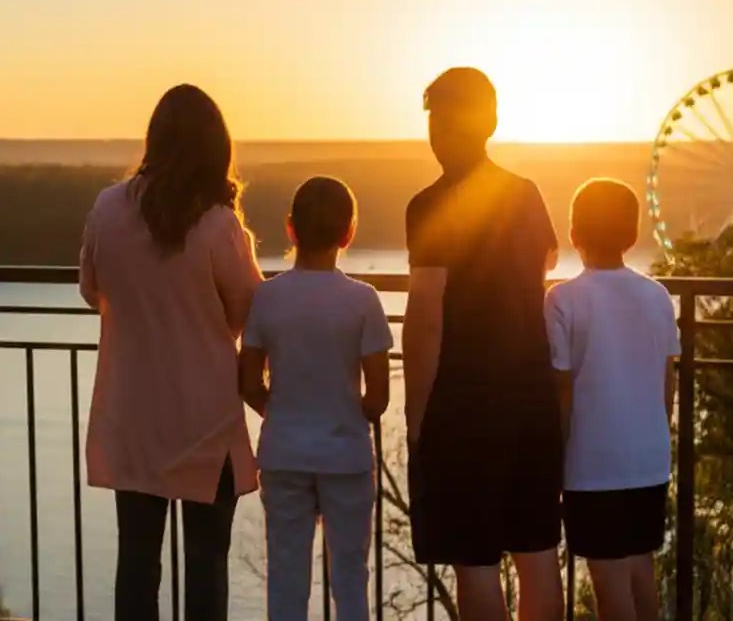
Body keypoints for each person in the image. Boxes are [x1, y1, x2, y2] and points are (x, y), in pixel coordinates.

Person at [78, 84, 263, 621]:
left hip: (131, 411)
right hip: (206, 417)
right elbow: (251, 310)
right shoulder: (218, 224)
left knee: (136, 562)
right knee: (206, 565)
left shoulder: (107, 208)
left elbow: (93, 290)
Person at [402, 67, 564, 620]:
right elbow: (548, 261)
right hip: (534, 397)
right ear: (491, 121)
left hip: (465, 404)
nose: (436, 133)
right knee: (538, 554)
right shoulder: (525, 193)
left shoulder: (429, 205)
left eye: (437, 121)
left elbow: (425, 318)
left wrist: (416, 414)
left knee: (475, 562)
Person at [238, 176, 393, 621]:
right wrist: (347, 410)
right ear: (349, 234)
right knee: (350, 578)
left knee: (286, 578)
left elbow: (248, 380)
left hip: (284, 451)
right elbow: (378, 396)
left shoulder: (267, 297)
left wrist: (280, 410)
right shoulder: (363, 301)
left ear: (291, 229)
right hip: (345, 456)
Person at [545, 179, 678, 621]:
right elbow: (667, 381)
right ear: (633, 234)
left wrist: (557, 457)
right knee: (641, 569)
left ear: (573, 233)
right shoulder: (657, 296)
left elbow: (561, 389)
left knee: (608, 583)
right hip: (648, 457)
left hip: (594, 461)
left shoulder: (562, 299)